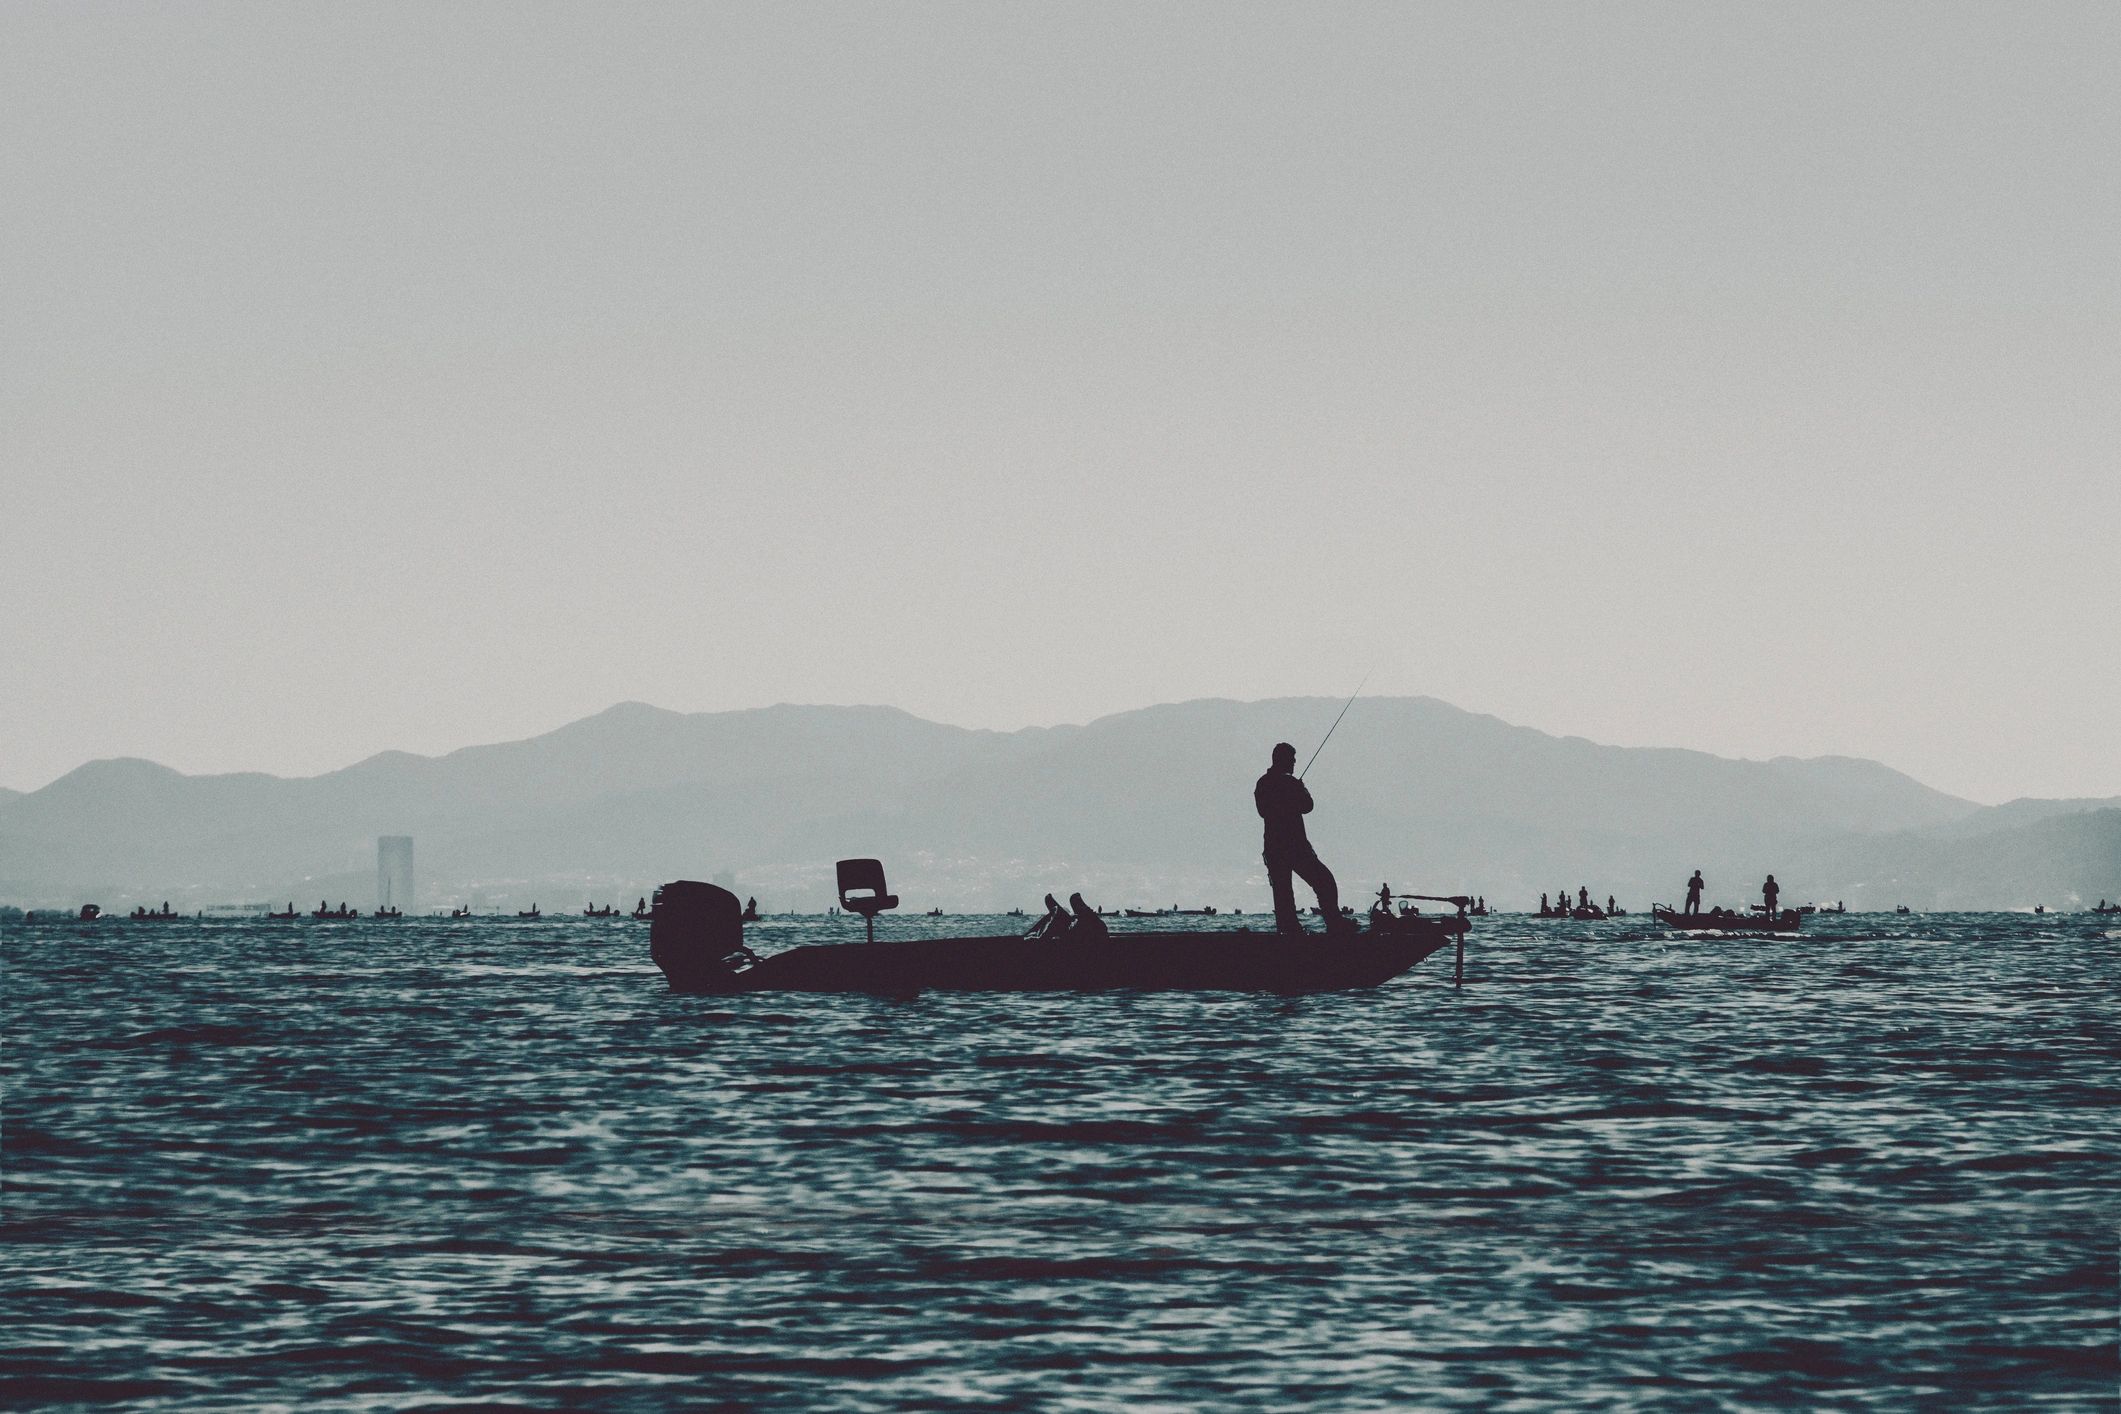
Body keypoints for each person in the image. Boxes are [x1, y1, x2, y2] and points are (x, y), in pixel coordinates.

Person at [1255, 742, 1350, 935]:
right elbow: (1308, 806)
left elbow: (1264, 810)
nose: (1294, 763)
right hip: (1293, 846)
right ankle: (1330, 923)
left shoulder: (1264, 783)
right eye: (1291, 759)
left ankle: (1291, 929)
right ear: (1282, 760)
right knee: (1322, 881)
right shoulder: (1287, 784)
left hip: (1277, 847)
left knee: (1284, 891)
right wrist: (1299, 789)